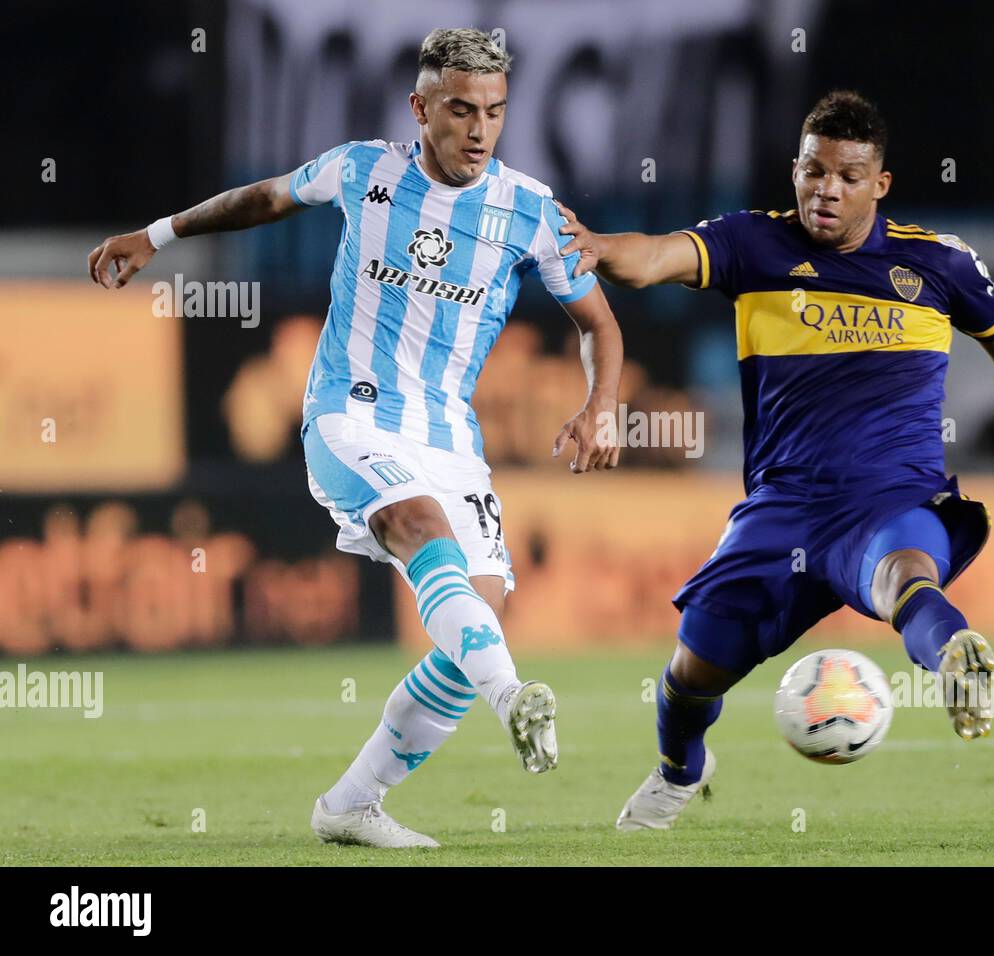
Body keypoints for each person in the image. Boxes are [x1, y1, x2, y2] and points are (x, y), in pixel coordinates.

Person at [88, 27, 624, 848]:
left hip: (450, 437)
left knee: (471, 626)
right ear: (420, 108)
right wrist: (156, 236)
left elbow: (597, 321)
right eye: (460, 110)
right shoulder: (364, 171)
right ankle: (515, 698)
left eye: (495, 111)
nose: (480, 130)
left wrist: (603, 403)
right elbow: (263, 198)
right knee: (421, 528)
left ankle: (350, 805)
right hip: (350, 413)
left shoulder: (531, 211)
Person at [556, 90, 994, 830]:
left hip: (890, 500)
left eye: (848, 176)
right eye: (814, 171)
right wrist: (598, 246)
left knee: (904, 576)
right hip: (781, 509)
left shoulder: (938, 265)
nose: (827, 189)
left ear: (879, 184)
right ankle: (679, 771)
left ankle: (955, 660)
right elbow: (656, 256)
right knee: (693, 674)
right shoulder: (753, 245)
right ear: (795, 170)